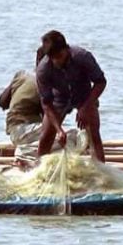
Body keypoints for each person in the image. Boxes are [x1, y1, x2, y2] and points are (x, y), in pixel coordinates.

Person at [35, 30, 107, 162]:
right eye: (53, 58)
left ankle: (101, 170)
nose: (57, 61)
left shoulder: (82, 57)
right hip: (59, 98)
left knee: (93, 134)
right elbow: (46, 103)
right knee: (45, 137)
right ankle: (39, 170)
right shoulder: (43, 69)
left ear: (66, 49)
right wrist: (59, 130)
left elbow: (101, 82)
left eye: (60, 56)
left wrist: (86, 107)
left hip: (84, 96)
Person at [0, 49, 46, 164]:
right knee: (71, 137)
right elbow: (48, 117)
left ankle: (27, 150)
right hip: (24, 133)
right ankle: (24, 153)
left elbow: (2, 102)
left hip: (14, 130)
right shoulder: (43, 84)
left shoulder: (22, 75)